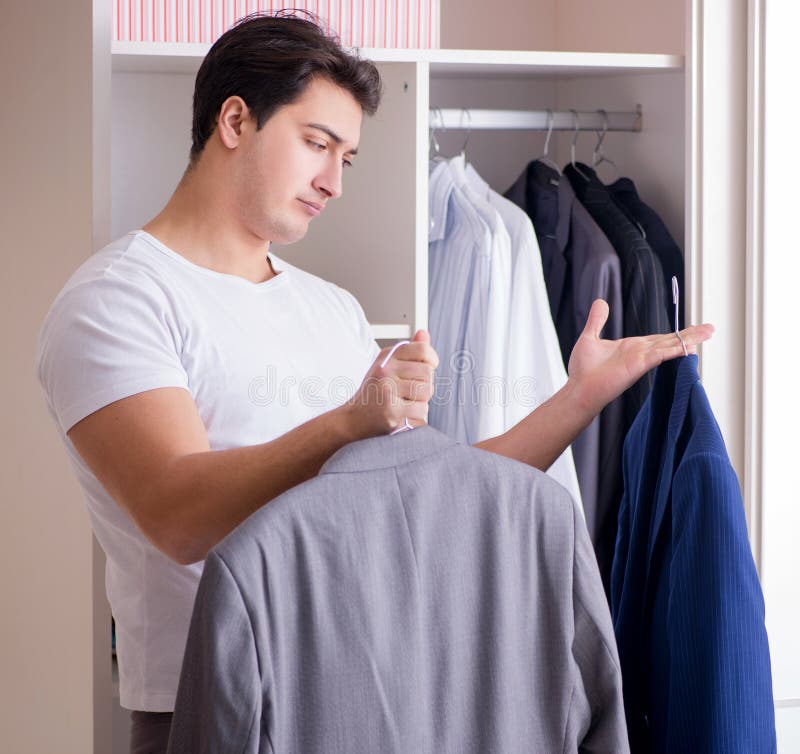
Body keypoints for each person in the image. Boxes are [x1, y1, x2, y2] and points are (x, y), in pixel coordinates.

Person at [35, 11, 714, 754]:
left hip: (371, 696)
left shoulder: (332, 310)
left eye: (347, 159)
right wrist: (348, 423)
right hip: (212, 703)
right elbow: (178, 516)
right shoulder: (116, 302)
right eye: (316, 143)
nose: (332, 181)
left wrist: (579, 396)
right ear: (235, 119)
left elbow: (433, 507)